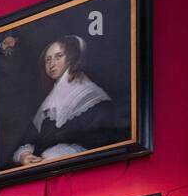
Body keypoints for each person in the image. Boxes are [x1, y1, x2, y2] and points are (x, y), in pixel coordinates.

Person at [11, 35, 117, 167]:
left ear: (72, 57)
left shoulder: (93, 97)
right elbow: (30, 138)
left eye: (58, 56)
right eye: (47, 60)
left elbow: (99, 142)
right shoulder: (49, 101)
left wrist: (60, 156)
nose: (51, 64)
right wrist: (24, 155)